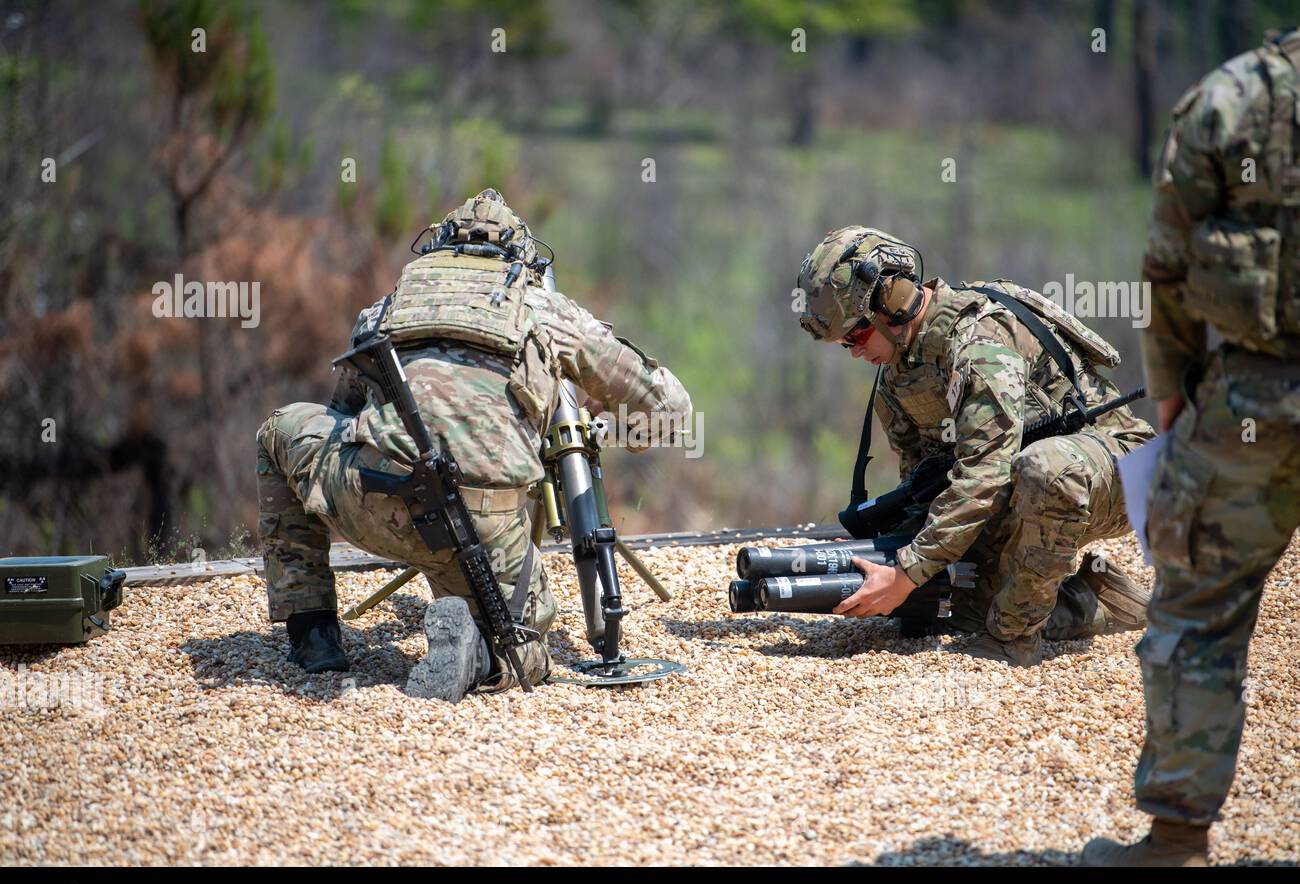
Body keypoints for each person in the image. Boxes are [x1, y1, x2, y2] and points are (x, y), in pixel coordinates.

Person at [256, 189, 692, 699]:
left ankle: (313, 634)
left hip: (371, 499)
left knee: (278, 432)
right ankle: (482, 656)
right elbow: (671, 413)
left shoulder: (387, 307)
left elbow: (344, 416)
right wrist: (598, 429)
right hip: (475, 528)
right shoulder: (546, 310)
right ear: (521, 256)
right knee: (522, 652)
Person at [1083, 28, 1300, 867]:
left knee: (1198, 615)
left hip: (1254, 396)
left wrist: (1170, 397)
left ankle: (1175, 844)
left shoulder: (1229, 100)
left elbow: (1167, 268)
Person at [796, 227, 1156, 666]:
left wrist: (907, 572)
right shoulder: (900, 378)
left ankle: (1011, 641)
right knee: (949, 610)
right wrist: (877, 552)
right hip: (1021, 481)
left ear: (891, 302)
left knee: (1045, 471)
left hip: (1124, 469)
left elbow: (984, 475)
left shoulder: (978, 344)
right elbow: (926, 488)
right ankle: (1093, 599)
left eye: (855, 336)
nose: (853, 353)